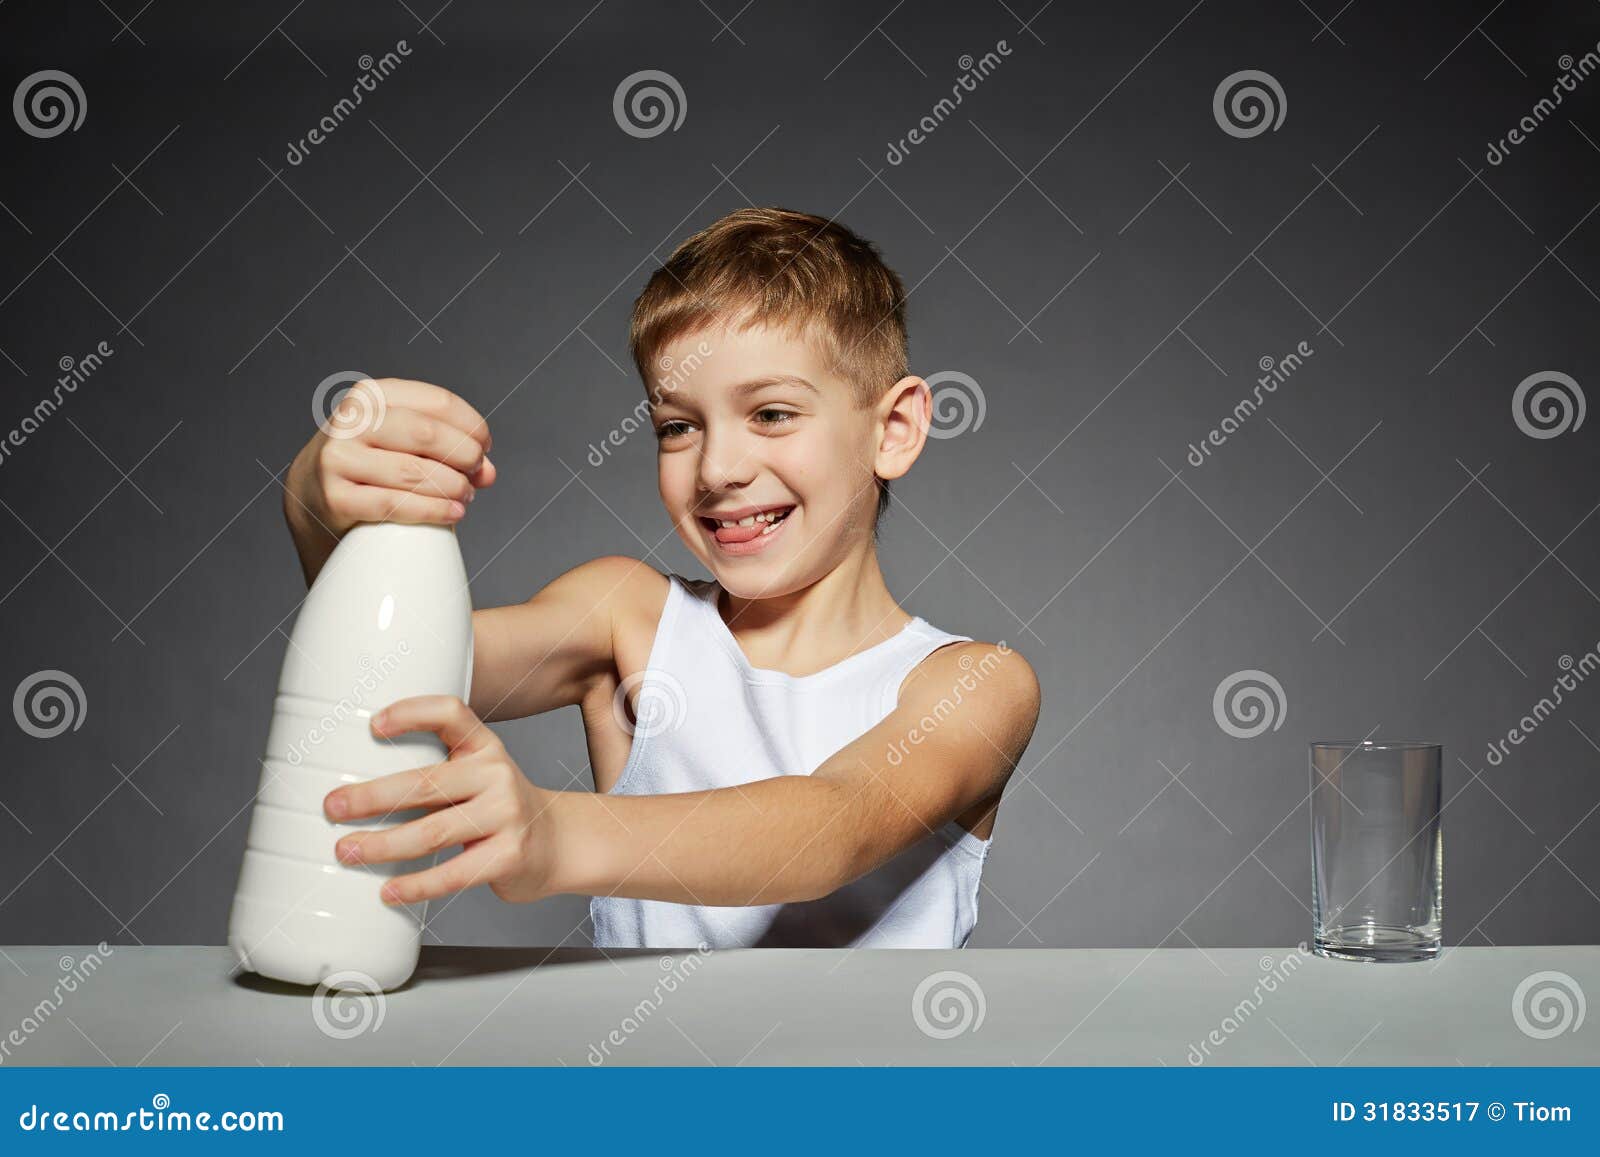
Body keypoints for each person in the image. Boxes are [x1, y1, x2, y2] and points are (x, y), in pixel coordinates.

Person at [283, 207, 1041, 948]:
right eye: (678, 426)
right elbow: (392, 672)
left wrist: (555, 833)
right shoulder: (629, 619)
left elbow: (831, 827)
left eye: (772, 414)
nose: (717, 469)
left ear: (894, 430)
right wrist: (318, 512)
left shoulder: (977, 685)